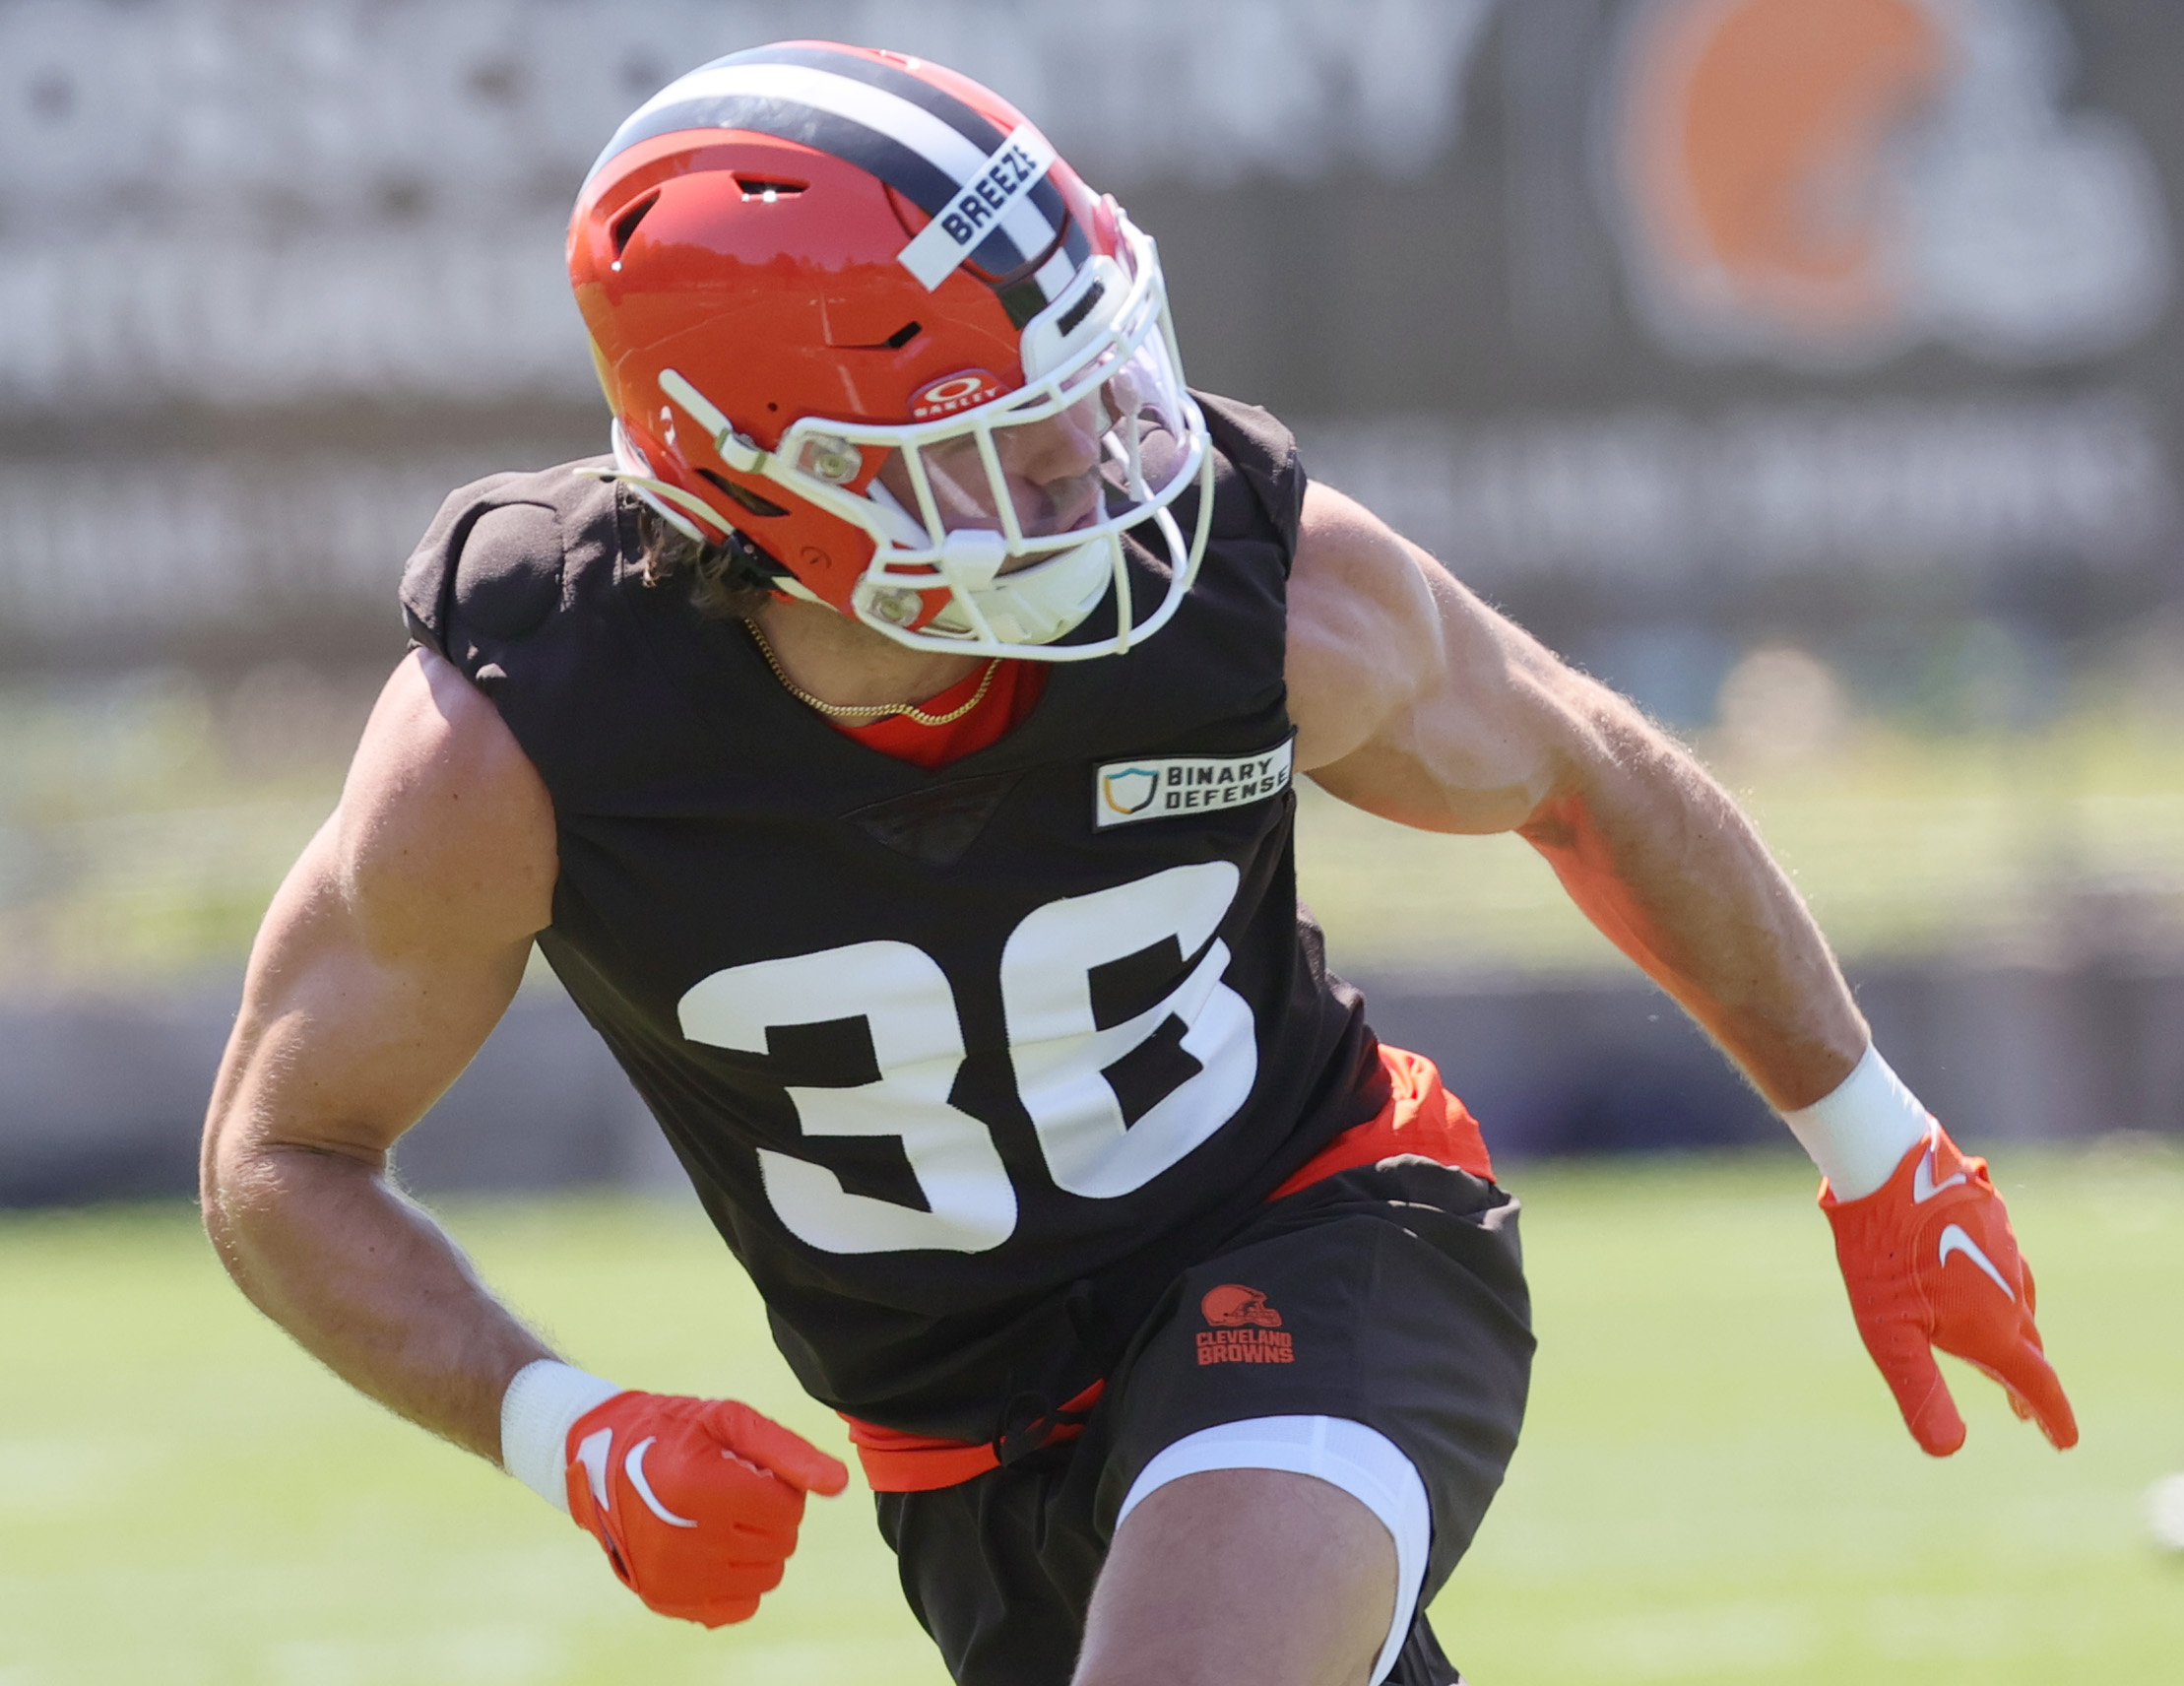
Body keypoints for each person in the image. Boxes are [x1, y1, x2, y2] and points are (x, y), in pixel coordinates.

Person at [199, 41, 2078, 1686]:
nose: (1107, 474)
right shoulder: (516, 738)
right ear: (759, 479)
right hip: (961, 1452)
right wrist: (560, 1429)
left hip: (1317, 1227)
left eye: (1096, 386)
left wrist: (1876, 1146)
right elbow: (279, 1154)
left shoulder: (1275, 587)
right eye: (1005, 447)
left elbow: (1583, 776)